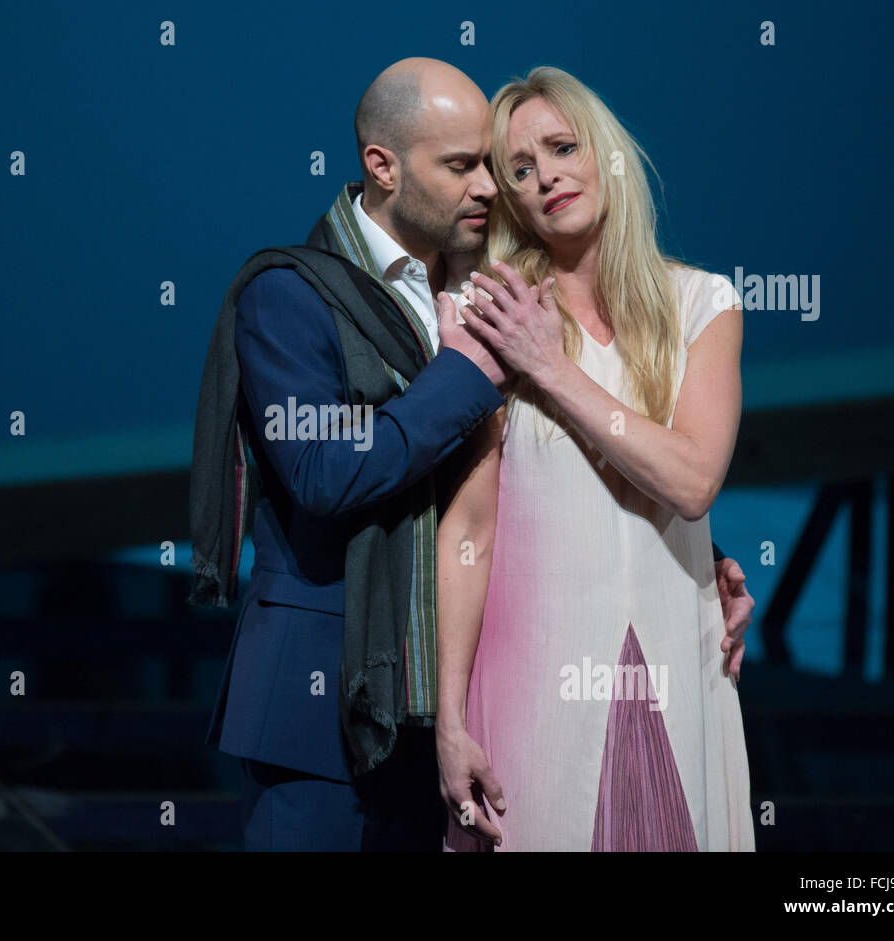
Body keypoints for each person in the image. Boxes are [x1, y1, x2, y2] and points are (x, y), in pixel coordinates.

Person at [189, 58, 754, 851]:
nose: (494, 187)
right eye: (472, 166)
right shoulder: (292, 294)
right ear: (382, 165)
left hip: (433, 715)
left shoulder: (472, 288)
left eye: (500, 166)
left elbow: (536, 484)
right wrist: (471, 371)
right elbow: (330, 474)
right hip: (324, 707)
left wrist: (695, 558)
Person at [436, 66, 755, 851]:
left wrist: (550, 369)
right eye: (519, 168)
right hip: (534, 682)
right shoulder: (488, 313)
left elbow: (689, 480)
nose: (544, 175)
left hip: (683, 663)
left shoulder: (704, 306)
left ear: (603, 153)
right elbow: (467, 528)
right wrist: (448, 717)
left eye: (561, 146)